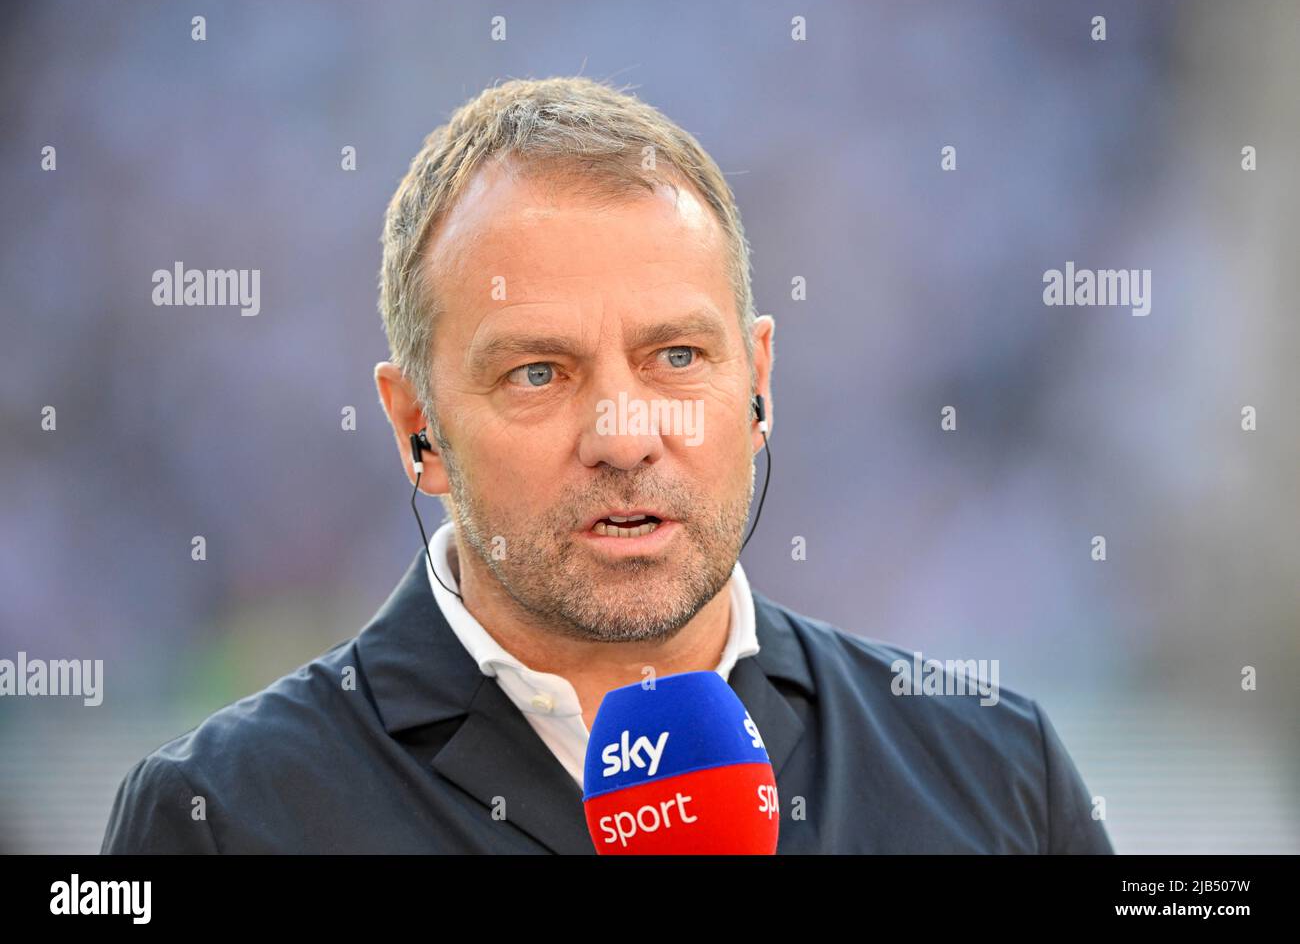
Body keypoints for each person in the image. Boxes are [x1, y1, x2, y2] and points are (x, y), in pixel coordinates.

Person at [102, 77, 1113, 853]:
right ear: (418, 428)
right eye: (539, 371)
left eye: (677, 356)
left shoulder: (992, 771)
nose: (624, 432)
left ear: (757, 384)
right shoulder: (222, 815)